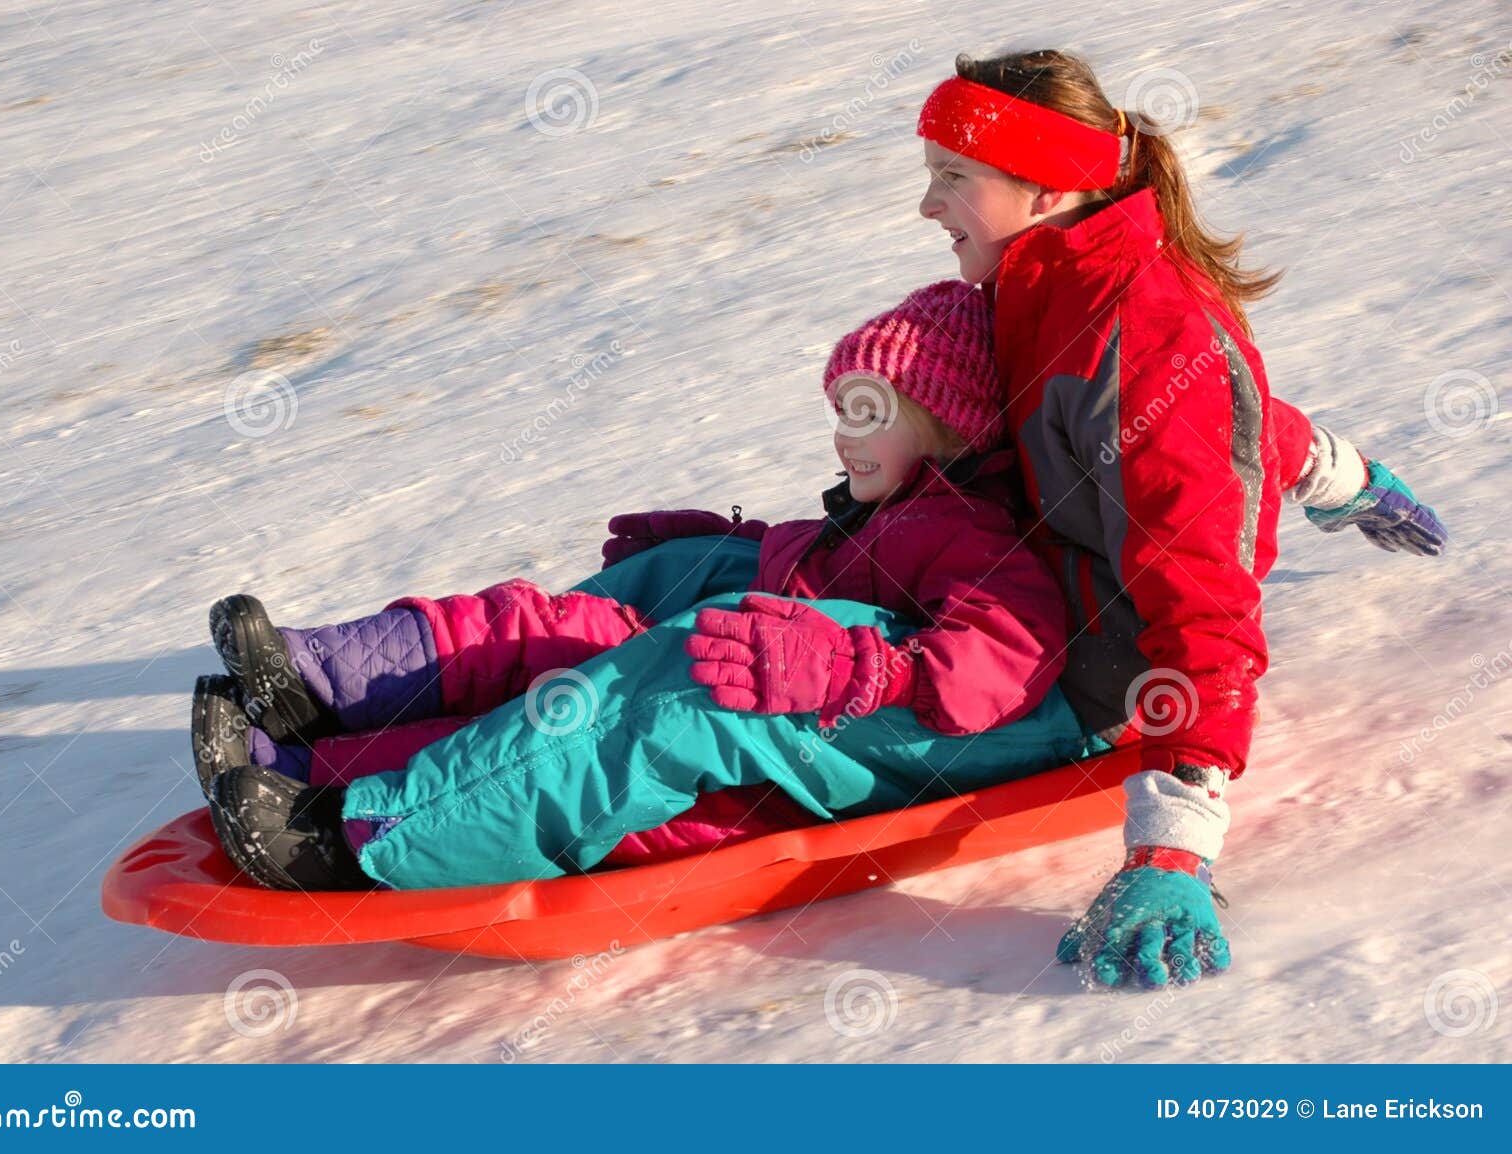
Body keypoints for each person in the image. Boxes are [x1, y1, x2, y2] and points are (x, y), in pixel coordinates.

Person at [604, 50, 1446, 988]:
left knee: (702, 689)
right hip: (996, 612)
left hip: (1089, 691)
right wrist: (1342, 473)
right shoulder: (1046, 284)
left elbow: (1202, 588)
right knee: (692, 572)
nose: (928, 208)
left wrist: (1172, 849)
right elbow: (1210, 431)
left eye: (953, 179)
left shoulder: (1140, 326)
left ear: (1046, 190)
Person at [199, 280, 1094, 893]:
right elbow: (818, 568)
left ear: (946, 424)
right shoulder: (898, 504)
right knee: (572, 628)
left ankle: (365, 834)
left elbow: (1003, 655)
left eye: (865, 414)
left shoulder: (978, 535)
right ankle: (313, 703)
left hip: (882, 713)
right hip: (821, 665)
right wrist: (719, 543)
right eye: (836, 412)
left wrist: (875, 675)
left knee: (636, 694)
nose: (839, 438)